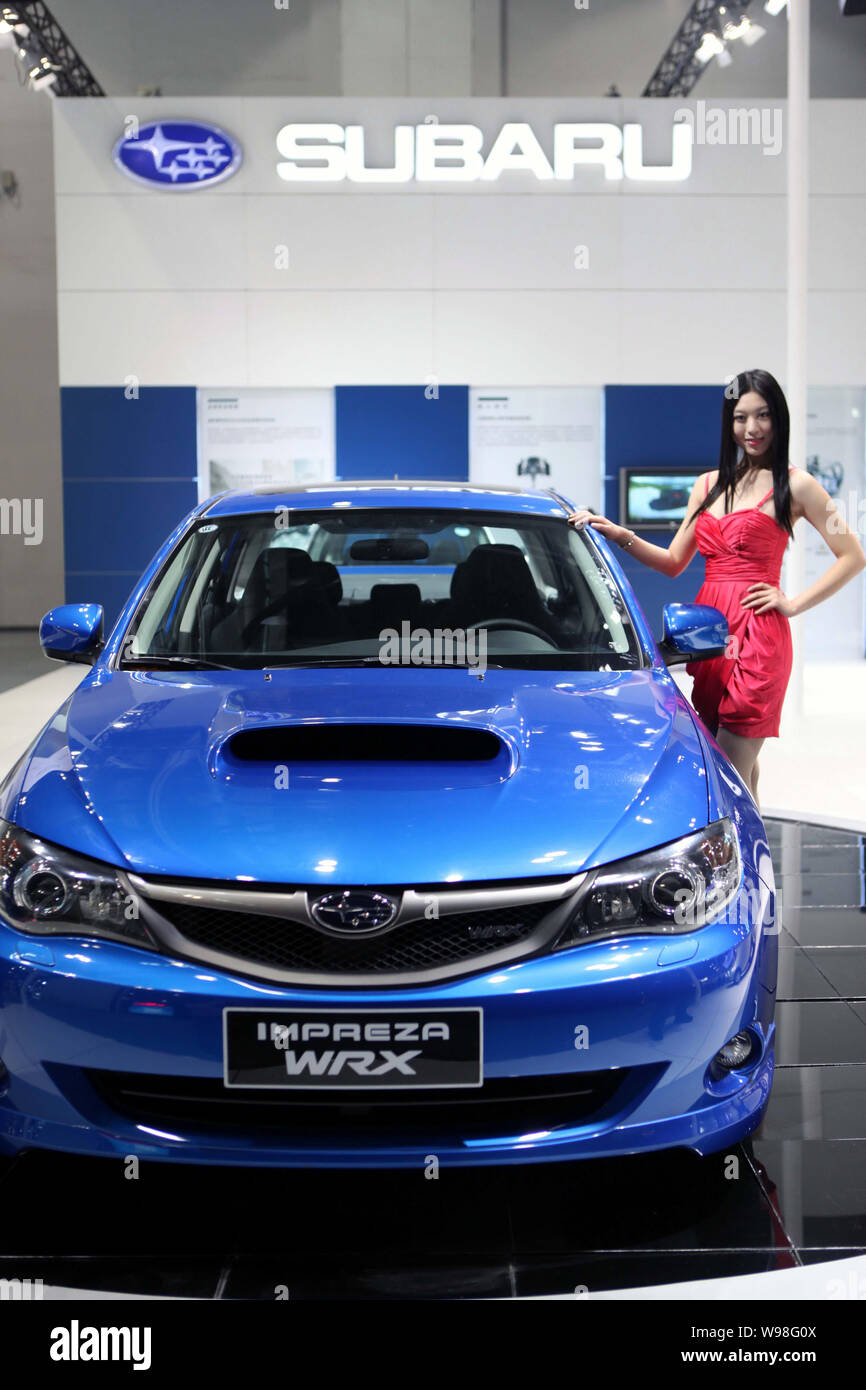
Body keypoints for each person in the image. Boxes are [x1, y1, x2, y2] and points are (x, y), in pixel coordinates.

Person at [567, 369, 866, 807]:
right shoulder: (707, 485)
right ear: (730, 423)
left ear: (778, 419)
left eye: (763, 415)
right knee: (742, 775)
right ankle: (757, 866)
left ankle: (735, 869)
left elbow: (853, 555)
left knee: (723, 772)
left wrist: (794, 603)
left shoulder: (796, 483)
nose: (752, 428)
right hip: (707, 636)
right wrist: (619, 534)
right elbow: (672, 562)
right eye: (741, 417)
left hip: (758, 634)